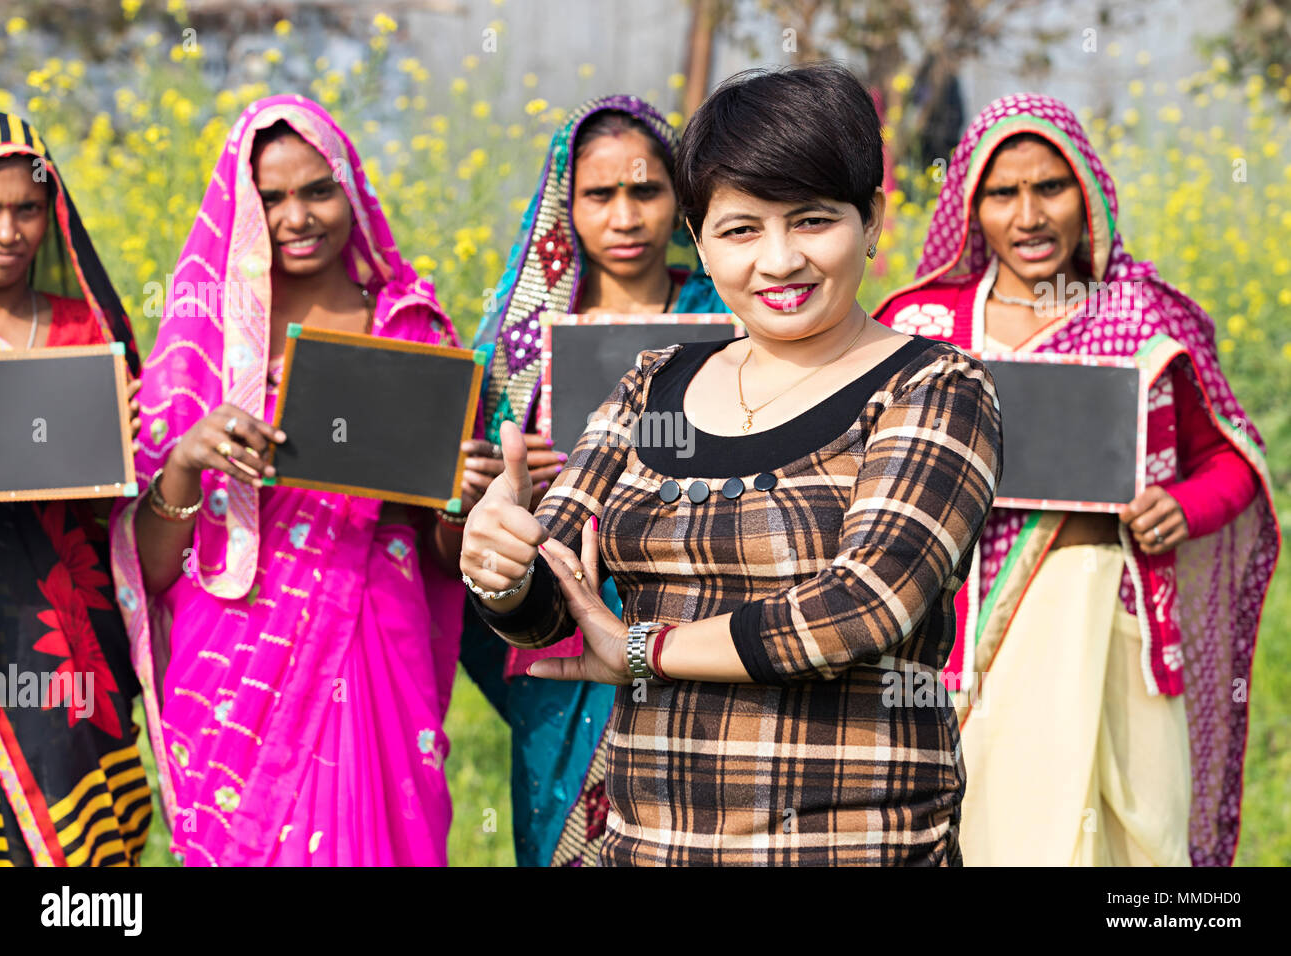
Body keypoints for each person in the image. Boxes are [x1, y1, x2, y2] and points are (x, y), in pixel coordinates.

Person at [460, 65, 1002, 866]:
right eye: (741, 229)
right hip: (650, 845)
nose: (779, 260)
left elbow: (862, 606)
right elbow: (552, 600)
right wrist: (501, 563)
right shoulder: (656, 383)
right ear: (700, 238)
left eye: (813, 220)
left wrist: (644, 650)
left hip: (850, 845)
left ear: (873, 219)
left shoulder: (932, 386)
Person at [874, 92, 1279, 866]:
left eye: (1050, 188)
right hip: (946, 645)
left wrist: (1183, 508)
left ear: (1089, 192)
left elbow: (1229, 462)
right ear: (970, 208)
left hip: (1108, 634)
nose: (1028, 216)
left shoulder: (1147, 321)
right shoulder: (923, 324)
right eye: (1003, 194)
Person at [108, 95, 466, 866]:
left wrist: (458, 497)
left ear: (353, 191)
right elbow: (153, 564)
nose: (297, 216)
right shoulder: (198, 344)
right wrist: (183, 464)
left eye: (318, 189)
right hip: (231, 648)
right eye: (271, 197)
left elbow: (445, 555)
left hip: (372, 636)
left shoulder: (410, 327)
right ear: (242, 203)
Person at [458, 94, 725, 867]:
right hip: (560, 631)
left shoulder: (730, 315)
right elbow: (470, 539)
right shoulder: (518, 347)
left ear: (680, 195)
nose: (626, 215)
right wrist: (489, 494)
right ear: (564, 207)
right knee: (560, 836)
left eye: (646, 190)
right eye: (600, 195)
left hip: (696, 621)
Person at [0, 111, 149, 866]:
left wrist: (128, 437)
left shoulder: (87, 330)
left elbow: (122, 501)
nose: (9, 230)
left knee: (86, 851)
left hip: (71, 633)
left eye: (27, 208)